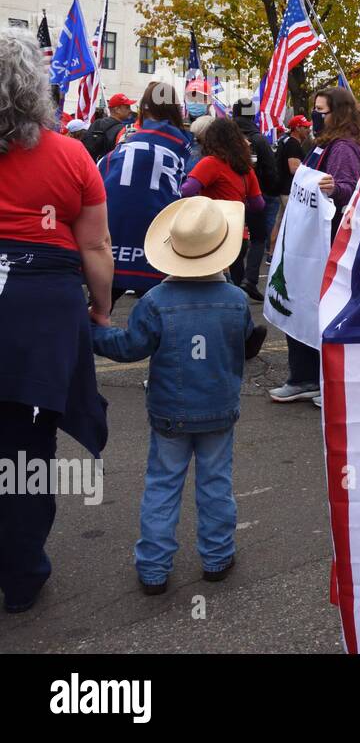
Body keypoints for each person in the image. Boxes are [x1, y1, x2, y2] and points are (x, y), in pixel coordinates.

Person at [91, 196, 265, 594]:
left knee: (163, 485)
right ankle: (217, 557)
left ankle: (154, 569)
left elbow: (130, 347)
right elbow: (242, 343)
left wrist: (93, 332)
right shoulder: (237, 301)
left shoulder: (155, 303)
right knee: (216, 482)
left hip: (170, 411)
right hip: (219, 410)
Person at [0, 29, 111, 613]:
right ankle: (20, 573)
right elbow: (95, 247)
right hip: (41, 319)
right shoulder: (72, 156)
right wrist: (101, 308)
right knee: (24, 451)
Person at [268, 87, 360, 405]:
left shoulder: (344, 147)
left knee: (320, 308)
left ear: (338, 113)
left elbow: (351, 189)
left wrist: (335, 188)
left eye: (321, 111)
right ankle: (305, 377)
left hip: (327, 241)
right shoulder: (326, 144)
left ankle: (322, 380)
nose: (315, 116)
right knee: (300, 303)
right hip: (308, 240)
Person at [99, 80, 192, 311]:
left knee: (103, 302)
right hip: (155, 227)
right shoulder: (182, 146)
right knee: (161, 301)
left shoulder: (125, 141)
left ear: (145, 108)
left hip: (114, 227)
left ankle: (88, 335)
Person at [180, 117, 266, 289]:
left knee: (212, 286)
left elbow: (186, 191)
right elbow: (258, 204)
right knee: (232, 287)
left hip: (213, 234)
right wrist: (237, 205)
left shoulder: (210, 163)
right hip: (238, 236)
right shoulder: (245, 168)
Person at [232, 97, 280, 301]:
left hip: (229, 197)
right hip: (254, 196)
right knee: (258, 237)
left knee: (232, 239)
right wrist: (270, 190)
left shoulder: (225, 138)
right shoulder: (259, 139)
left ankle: (235, 281)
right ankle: (249, 280)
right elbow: (270, 170)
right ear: (253, 115)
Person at [269, 114, 312, 251]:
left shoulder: (285, 141)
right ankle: (286, 252)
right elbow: (294, 168)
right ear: (297, 128)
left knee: (280, 221)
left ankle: (272, 252)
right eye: (305, 127)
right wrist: (311, 173)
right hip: (289, 191)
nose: (308, 130)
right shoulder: (293, 144)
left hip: (283, 189)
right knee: (293, 223)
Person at [85, 92, 136, 161]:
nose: (130, 111)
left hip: (91, 166)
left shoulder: (97, 123)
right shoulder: (122, 129)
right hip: (108, 167)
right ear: (117, 110)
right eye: (127, 107)